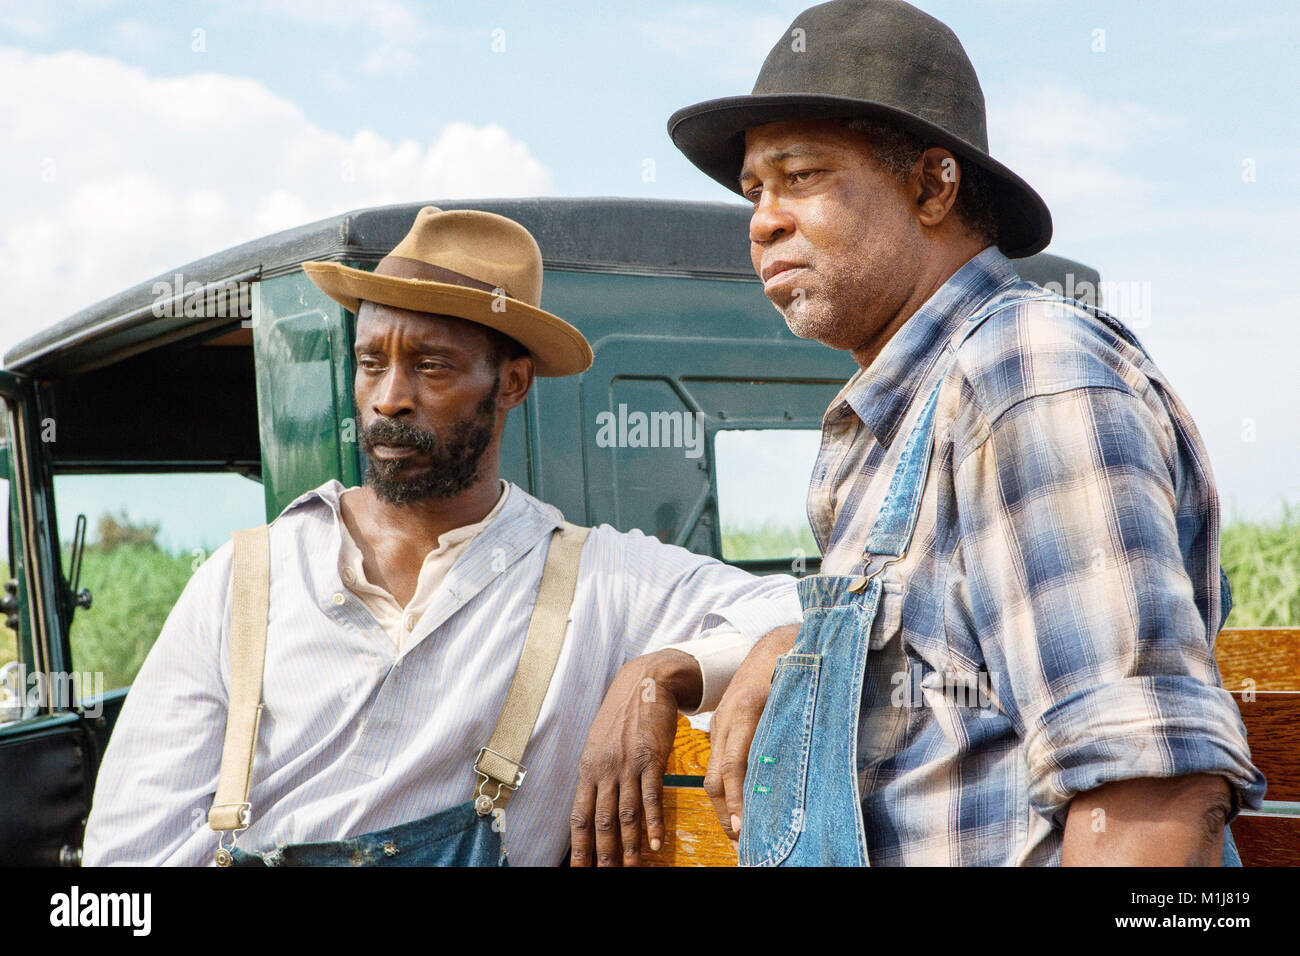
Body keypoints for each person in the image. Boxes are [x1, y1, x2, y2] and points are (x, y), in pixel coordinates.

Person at [666, 0, 1264, 865]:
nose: (761, 220)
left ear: (932, 186)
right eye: (756, 190)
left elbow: (1148, 796)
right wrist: (792, 645)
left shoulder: (1025, 373)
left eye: (800, 176)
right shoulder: (901, 413)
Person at [81, 206, 801, 867]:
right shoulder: (245, 580)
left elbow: (807, 613)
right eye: (371, 363)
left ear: (513, 382)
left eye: (430, 366)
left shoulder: (597, 579)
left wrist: (657, 673)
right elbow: (131, 853)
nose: (390, 396)